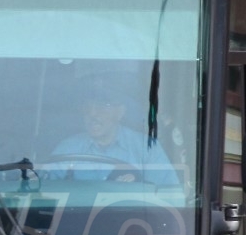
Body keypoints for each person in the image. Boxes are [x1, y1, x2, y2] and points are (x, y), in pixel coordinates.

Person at [49, 79, 180, 186]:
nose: (92, 113)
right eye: (88, 107)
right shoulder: (67, 149)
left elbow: (169, 196)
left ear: (120, 112)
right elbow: (45, 194)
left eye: (102, 106)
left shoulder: (147, 149)